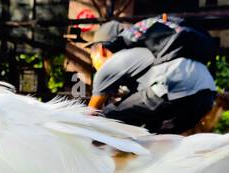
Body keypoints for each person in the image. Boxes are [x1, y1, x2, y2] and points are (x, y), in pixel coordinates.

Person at [88, 18, 218, 134]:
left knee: (106, 117)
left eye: (91, 57)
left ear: (101, 49)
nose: (93, 64)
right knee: (151, 136)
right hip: (206, 94)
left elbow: (90, 115)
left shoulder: (111, 65)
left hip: (173, 87)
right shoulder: (149, 54)